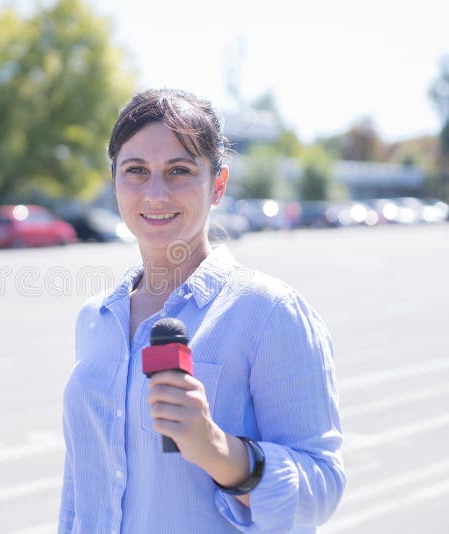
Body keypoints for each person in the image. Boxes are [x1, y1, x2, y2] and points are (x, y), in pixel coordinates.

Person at [59, 88, 345, 533]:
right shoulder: (96, 319)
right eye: (136, 170)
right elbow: (80, 492)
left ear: (218, 185)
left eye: (179, 170)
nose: (155, 193)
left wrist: (215, 448)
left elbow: (321, 490)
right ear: (114, 180)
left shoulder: (268, 313)